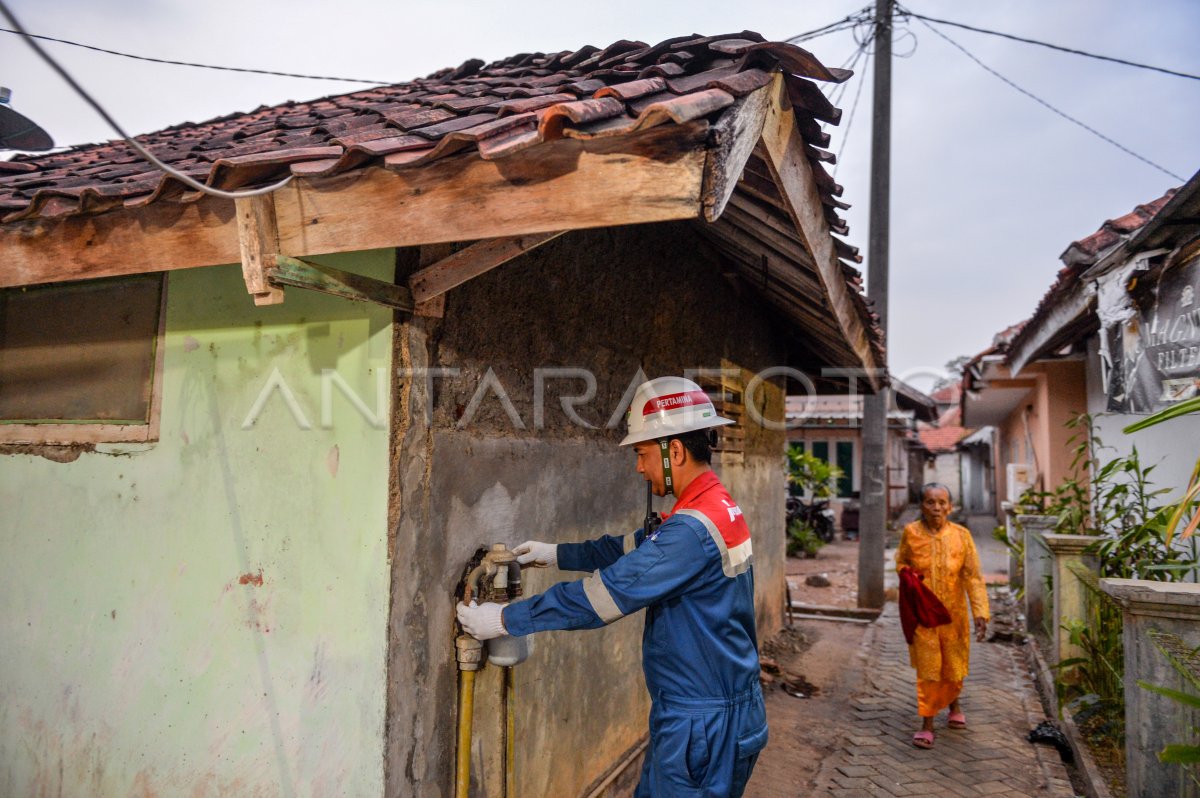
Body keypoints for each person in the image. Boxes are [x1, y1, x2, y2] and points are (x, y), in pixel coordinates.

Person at [456, 376, 768, 797]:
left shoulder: (689, 532)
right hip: (723, 709)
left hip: (702, 723)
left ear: (673, 449)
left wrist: (505, 618)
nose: (638, 467)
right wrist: (556, 553)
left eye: (641, 453)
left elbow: (600, 599)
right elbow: (631, 549)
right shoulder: (714, 508)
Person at [895, 483, 990, 749]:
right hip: (924, 614)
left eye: (941, 502)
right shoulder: (910, 533)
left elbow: (973, 576)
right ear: (921, 506)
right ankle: (927, 723)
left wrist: (980, 612)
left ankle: (955, 704)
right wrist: (907, 574)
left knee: (953, 664)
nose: (936, 508)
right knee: (929, 668)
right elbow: (901, 561)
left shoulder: (962, 536)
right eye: (930, 502)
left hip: (954, 616)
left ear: (950, 506)